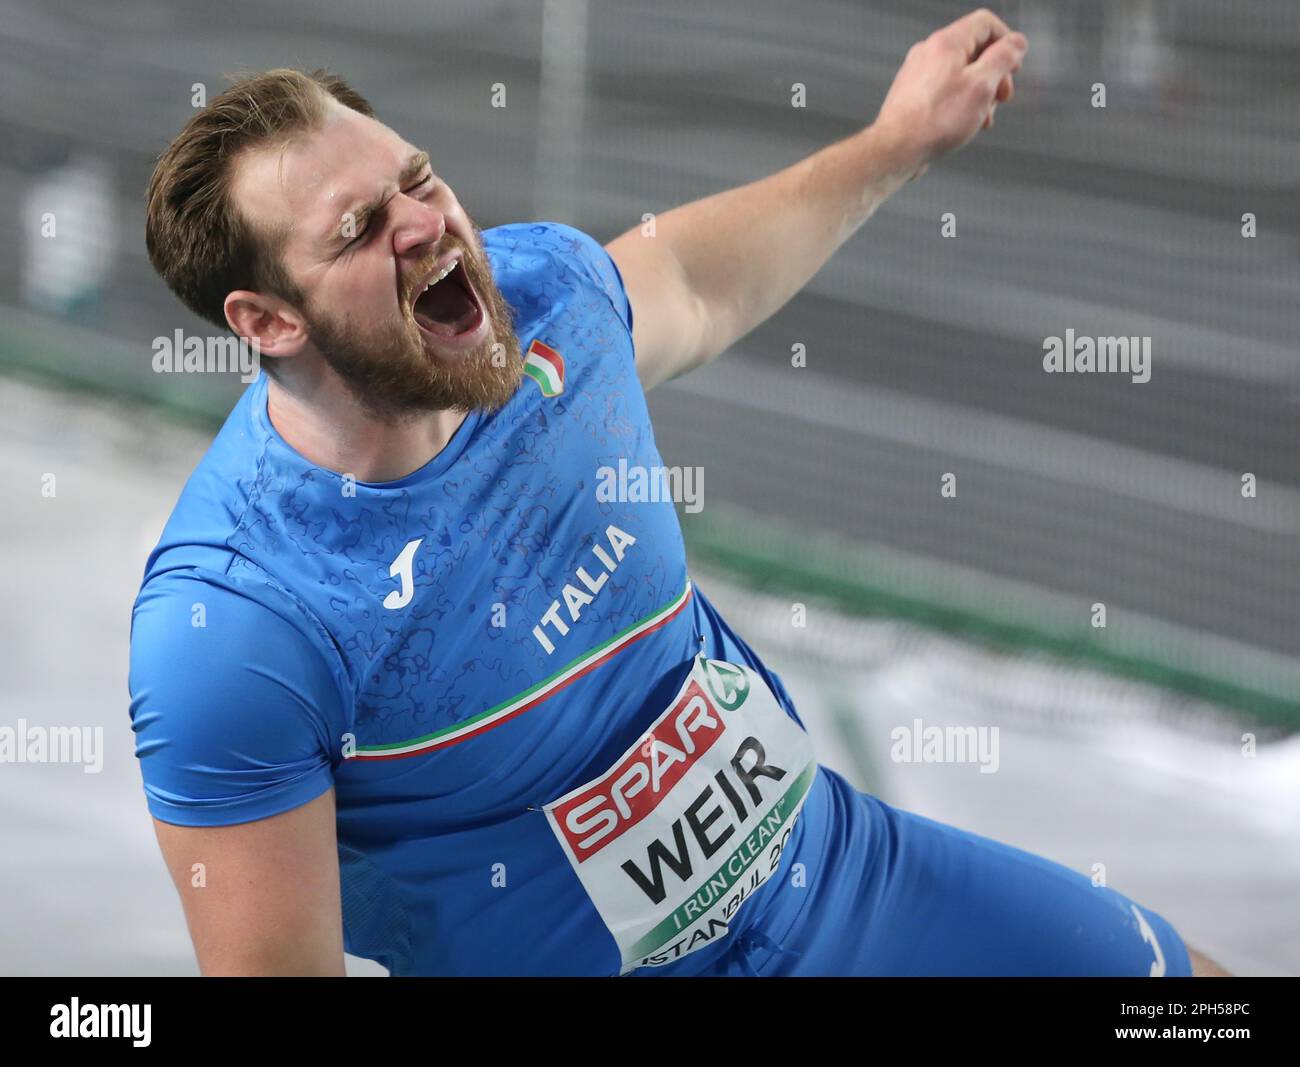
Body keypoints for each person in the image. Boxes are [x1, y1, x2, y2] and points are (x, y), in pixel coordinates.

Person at [130, 8, 1226, 977]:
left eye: (415, 180)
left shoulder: (544, 302)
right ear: (268, 320)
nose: (423, 224)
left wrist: (897, 141)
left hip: (835, 879)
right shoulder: (239, 619)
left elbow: (700, 282)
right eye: (358, 231)